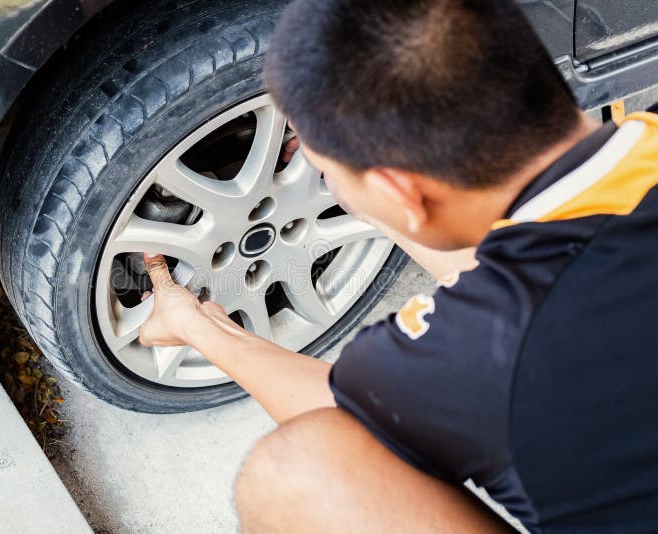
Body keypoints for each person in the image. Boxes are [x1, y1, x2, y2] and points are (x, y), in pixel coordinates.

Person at [138, 0, 658, 531]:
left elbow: (342, 433)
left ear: (400, 190)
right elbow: (536, 280)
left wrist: (195, 325)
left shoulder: (472, 357)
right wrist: (382, 205)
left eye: (325, 171)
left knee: (291, 474)